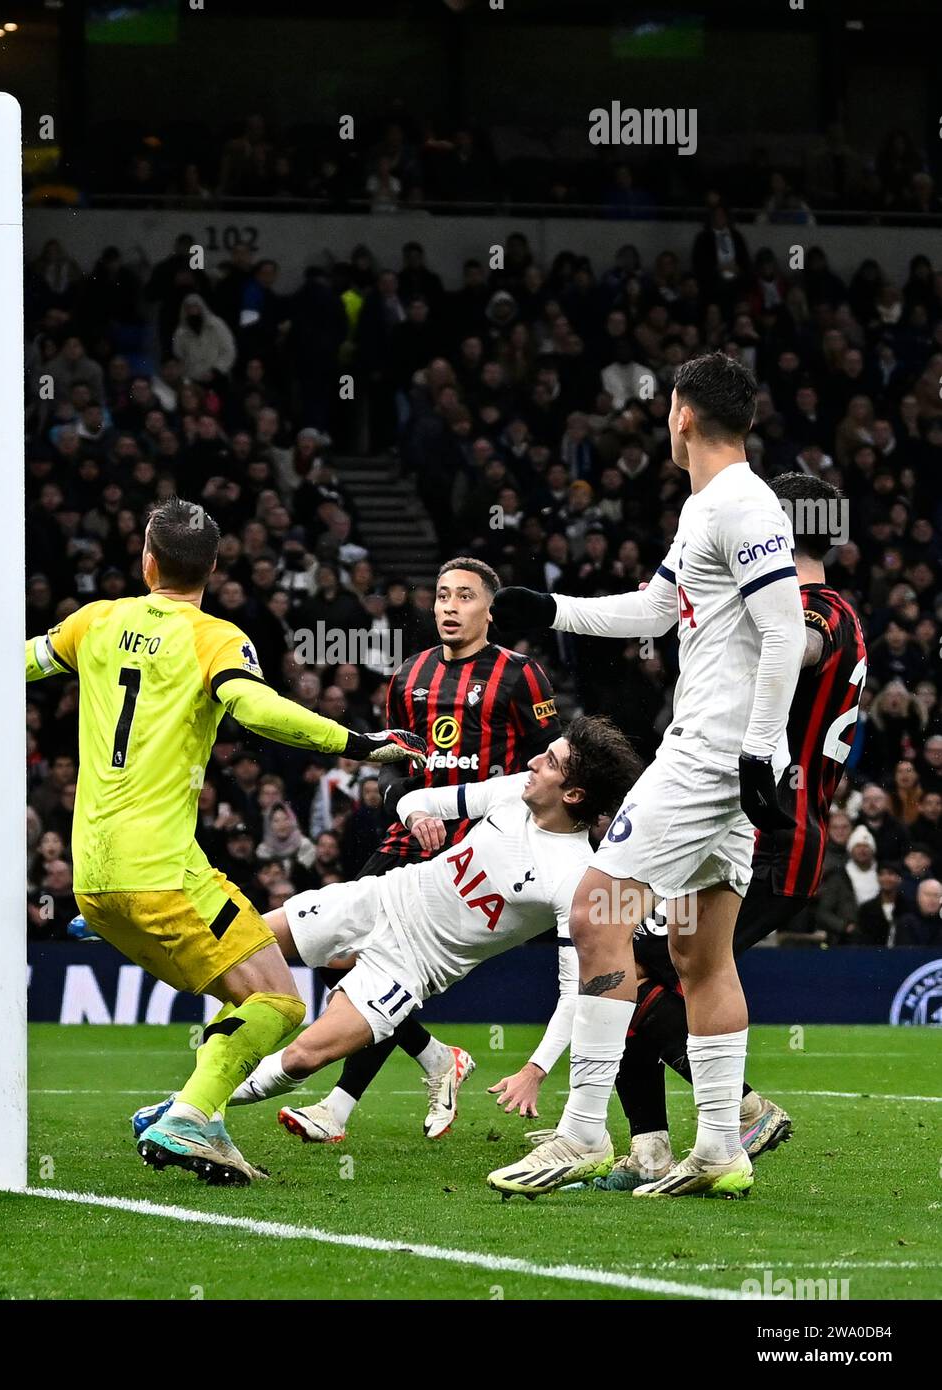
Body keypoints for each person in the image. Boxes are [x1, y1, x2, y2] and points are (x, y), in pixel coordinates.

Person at [0, 499, 425, 1186]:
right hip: (161, 872)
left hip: (94, 882)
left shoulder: (95, 620)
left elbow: (6, 668)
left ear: (147, 559)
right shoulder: (215, 638)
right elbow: (255, 707)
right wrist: (361, 745)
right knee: (278, 1003)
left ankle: (203, 1116)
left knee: (240, 993)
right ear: (213, 567)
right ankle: (190, 1115)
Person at [489, 352, 804, 1199]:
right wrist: (551, 611)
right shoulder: (710, 506)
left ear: (680, 415)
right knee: (698, 953)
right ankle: (716, 1148)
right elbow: (653, 608)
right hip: (721, 760)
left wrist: (759, 751)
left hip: (708, 756)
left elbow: (785, 628)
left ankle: (582, 1133)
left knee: (597, 910)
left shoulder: (740, 502)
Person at [224, 720, 641, 1126]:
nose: (532, 762)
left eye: (550, 762)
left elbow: (574, 992)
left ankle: (188, 1107)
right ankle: (193, 1107)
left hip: (410, 966)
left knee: (301, 1058)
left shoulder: (574, 878)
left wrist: (536, 1069)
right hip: (379, 899)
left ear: (574, 794)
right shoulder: (513, 791)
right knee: (235, 944)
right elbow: (415, 800)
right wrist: (418, 818)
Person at [279, 557, 561, 1143]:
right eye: (441, 596)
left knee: (385, 974)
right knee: (347, 962)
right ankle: (436, 1060)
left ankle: (337, 1107)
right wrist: (407, 803)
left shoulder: (522, 676)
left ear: (489, 609)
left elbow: (550, 766)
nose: (449, 607)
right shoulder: (408, 676)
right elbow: (398, 769)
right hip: (410, 835)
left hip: (480, 851)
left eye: (464, 597)